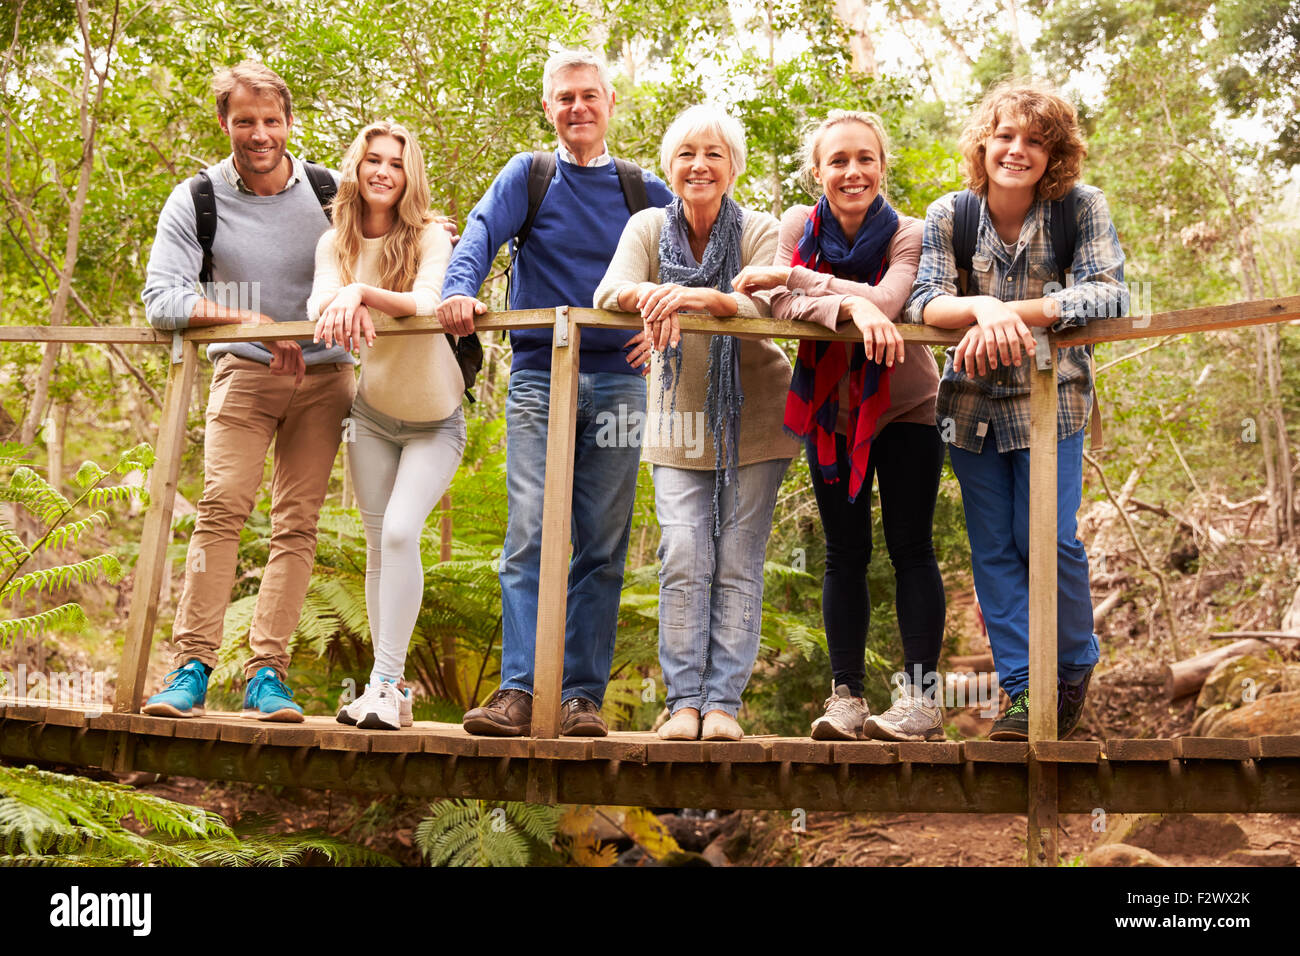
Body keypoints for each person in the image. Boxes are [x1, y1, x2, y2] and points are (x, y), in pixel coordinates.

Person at [437, 50, 673, 737]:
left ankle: (579, 700)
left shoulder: (642, 187)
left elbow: (699, 252)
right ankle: (518, 691)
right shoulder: (530, 175)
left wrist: (670, 330)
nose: (578, 107)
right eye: (564, 97)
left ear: (610, 102)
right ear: (549, 107)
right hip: (542, 375)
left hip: (623, 383)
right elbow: (480, 233)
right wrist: (458, 290)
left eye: (589, 96)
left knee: (601, 543)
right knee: (531, 532)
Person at [905, 79, 1127, 740]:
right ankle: (1024, 693)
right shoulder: (953, 212)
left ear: (1054, 153)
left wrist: (1011, 313)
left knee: (1048, 538)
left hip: (1051, 402)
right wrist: (981, 308)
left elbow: (1107, 296)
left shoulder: (1079, 208)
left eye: (1035, 140)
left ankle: (1074, 661)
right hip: (969, 409)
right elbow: (924, 302)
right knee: (995, 551)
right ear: (985, 142)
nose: (1017, 150)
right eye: (1005, 136)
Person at [140, 61, 356, 722]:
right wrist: (246, 321)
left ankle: (267, 673)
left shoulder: (330, 192)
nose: (259, 134)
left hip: (325, 378)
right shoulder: (198, 199)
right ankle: (192, 667)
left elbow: (395, 241)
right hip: (244, 372)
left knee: (297, 523)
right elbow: (162, 298)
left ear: (289, 123)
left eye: (270, 120)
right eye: (244, 121)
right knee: (221, 507)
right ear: (225, 123)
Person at [734, 110, 946, 741]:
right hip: (832, 411)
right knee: (843, 553)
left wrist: (801, 279)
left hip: (907, 404)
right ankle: (847, 697)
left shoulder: (911, 232)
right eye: (838, 161)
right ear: (817, 170)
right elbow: (777, 305)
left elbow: (888, 302)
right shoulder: (799, 225)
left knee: (911, 548)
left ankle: (923, 703)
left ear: (882, 165)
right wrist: (847, 299)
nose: (852, 172)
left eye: (865, 159)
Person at [594, 105, 791, 742]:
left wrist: (699, 298)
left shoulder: (759, 229)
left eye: (713, 153)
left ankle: (723, 706)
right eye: (686, 153)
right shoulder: (648, 226)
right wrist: (648, 296)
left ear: (733, 166)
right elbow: (608, 291)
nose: (699, 165)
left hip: (759, 414)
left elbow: (765, 300)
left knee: (737, 560)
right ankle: (683, 703)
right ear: (669, 166)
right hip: (677, 418)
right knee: (683, 555)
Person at [306, 122, 463, 731]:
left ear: (408, 175)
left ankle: (384, 685)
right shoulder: (334, 243)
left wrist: (362, 292)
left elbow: (428, 303)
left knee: (400, 533)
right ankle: (389, 690)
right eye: (372, 160)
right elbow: (320, 304)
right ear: (356, 167)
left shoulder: (427, 236)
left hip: (435, 421)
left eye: (396, 164)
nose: (382, 171)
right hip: (370, 419)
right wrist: (345, 294)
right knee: (379, 547)